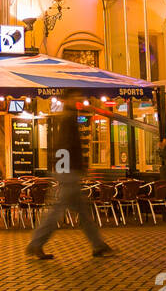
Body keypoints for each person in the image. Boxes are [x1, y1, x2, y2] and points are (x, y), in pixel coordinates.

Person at [26, 90, 112, 260]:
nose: (79, 99)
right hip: (68, 172)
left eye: (80, 96)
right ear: (67, 99)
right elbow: (63, 146)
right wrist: (66, 172)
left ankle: (97, 244)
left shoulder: (70, 116)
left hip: (69, 170)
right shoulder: (67, 119)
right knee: (57, 210)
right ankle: (36, 243)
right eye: (76, 97)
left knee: (82, 211)